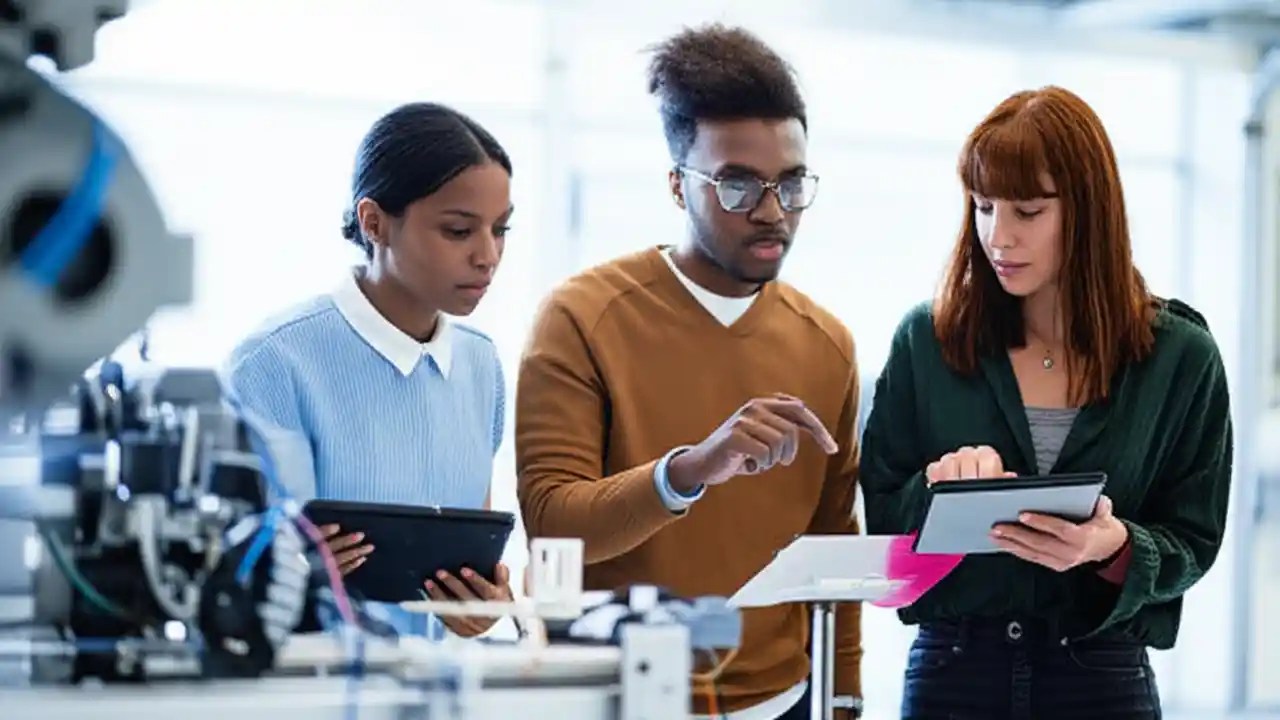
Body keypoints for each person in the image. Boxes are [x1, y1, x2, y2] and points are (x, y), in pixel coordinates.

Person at [516, 24, 862, 720]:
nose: (772, 212)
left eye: (791, 184)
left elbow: (832, 542)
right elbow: (554, 525)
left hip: (787, 699)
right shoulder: (583, 316)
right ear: (678, 185)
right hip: (623, 698)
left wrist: (844, 696)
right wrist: (689, 470)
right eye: (736, 185)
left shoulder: (827, 342)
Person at [861, 85, 1233, 720]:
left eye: (1027, 212)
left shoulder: (1182, 357)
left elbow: (1193, 538)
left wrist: (1113, 549)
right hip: (954, 672)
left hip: (1100, 676)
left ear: (1088, 211)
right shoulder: (925, 340)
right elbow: (885, 536)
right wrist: (938, 492)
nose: (997, 237)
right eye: (982, 207)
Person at [224, 102, 515, 639]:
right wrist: (296, 565)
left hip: (443, 694)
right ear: (374, 222)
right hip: (314, 688)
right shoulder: (274, 362)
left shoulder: (480, 364)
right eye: (458, 231)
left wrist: (483, 609)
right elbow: (240, 573)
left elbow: (470, 563)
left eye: (500, 229)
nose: (488, 255)